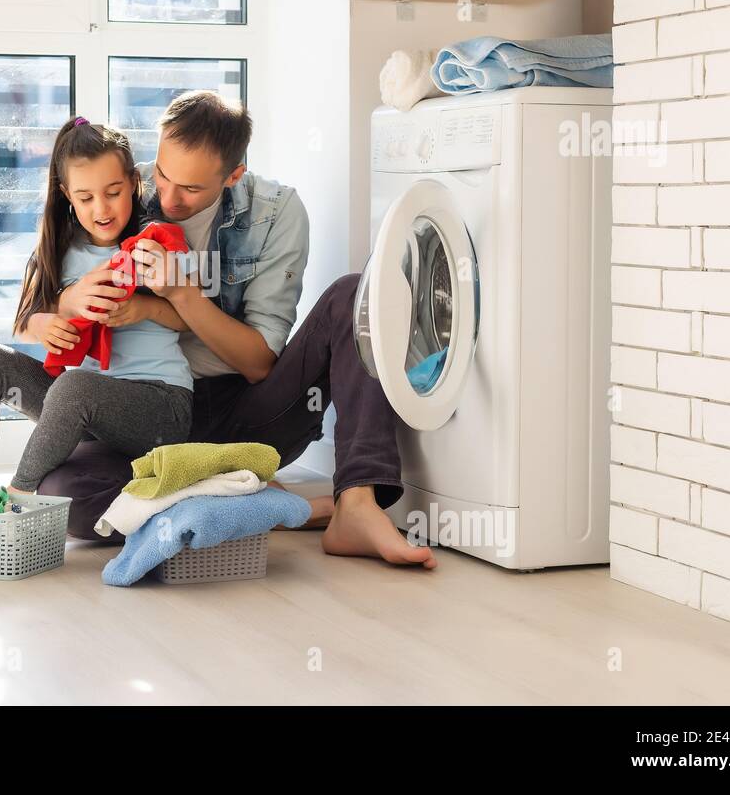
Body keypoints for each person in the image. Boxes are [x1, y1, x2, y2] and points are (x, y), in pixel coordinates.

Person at [40, 91, 436, 569]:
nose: (166, 198)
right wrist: (68, 299)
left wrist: (181, 295)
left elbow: (258, 364)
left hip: (245, 413)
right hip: (148, 418)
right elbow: (45, 287)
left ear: (233, 175)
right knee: (64, 498)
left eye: (189, 189)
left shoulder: (276, 212)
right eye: (161, 175)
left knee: (354, 292)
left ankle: (355, 502)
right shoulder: (119, 185)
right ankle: (270, 505)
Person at [0, 117, 194, 557]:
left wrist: (144, 308)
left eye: (114, 192)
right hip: (87, 415)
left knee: (76, 386)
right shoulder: (58, 250)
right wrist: (56, 312)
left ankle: (14, 510)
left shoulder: (155, 241)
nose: (103, 209)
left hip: (159, 409)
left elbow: (190, 319)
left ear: (135, 183)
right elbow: (25, 321)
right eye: (85, 197)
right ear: (65, 196)